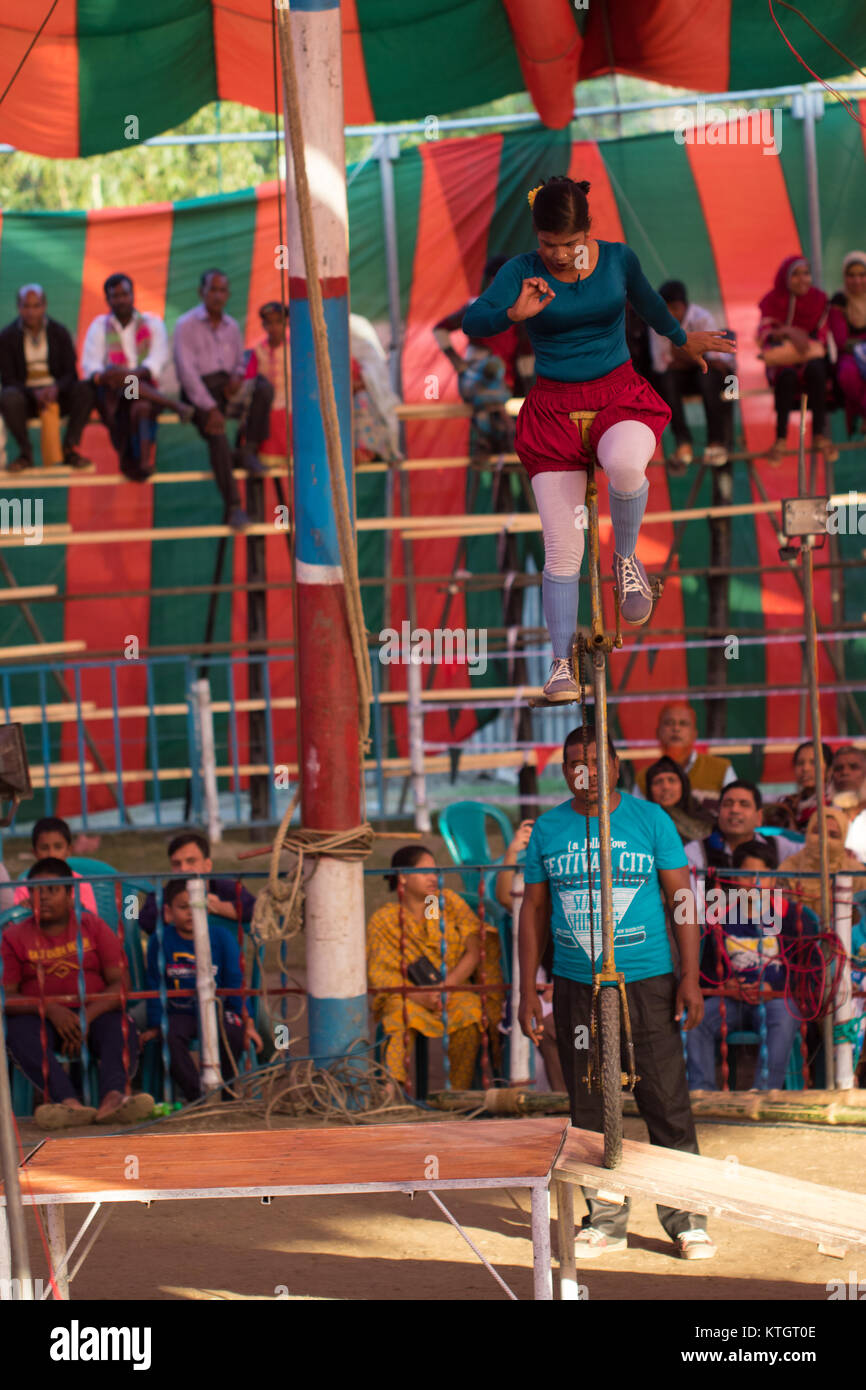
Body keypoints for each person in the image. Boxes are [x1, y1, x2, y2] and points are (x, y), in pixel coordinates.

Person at [462, 177, 732, 701]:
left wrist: (681, 339)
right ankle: (561, 662)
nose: (558, 255)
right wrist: (511, 315)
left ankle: (626, 560)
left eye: (569, 242)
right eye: (548, 244)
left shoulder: (617, 259)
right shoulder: (522, 271)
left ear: (590, 229)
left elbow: (650, 303)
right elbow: (474, 318)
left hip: (618, 394)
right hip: (552, 410)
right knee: (562, 549)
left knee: (629, 467)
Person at [518, 721, 715, 1260]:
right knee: (590, 1101)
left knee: (664, 1097)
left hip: (647, 981)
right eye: (575, 763)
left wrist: (690, 977)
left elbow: (681, 901)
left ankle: (686, 1218)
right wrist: (527, 989)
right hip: (576, 984)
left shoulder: (650, 820)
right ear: (564, 771)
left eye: (596, 762)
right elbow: (533, 908)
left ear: (615, 766)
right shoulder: (548, 830)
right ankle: (605, 1219)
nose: (586, 772)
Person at [1, 859, 153, 1129]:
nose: (43, 897)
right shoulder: (13, 937)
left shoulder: (93, 927)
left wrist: (86, 1015)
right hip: (40, 1020)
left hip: (93, 1014)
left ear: (71, 895)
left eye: (52, 890)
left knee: (120, 1026)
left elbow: (120, 985)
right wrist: (49, 1009)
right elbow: (7, 997)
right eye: (37, 891)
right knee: (17, 1032)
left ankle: (113, 1099)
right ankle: (68, 1105)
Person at [686, 840, 818, 1092]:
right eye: (747, 875)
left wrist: (773, 986)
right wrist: (725, 985)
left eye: (762, 876)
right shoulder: (719, 917)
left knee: (785, 1012)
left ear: (773, 880)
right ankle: (702, 1094)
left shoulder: (791, 916)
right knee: (697, 1019)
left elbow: (807, 970)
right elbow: (706, 969)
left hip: (774, 999)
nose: (755, 883)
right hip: (732, 999)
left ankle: (764, 1093)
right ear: (735, 878)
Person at [366, 846, 484, 1091]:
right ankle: (391, 1094)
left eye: (434, 871)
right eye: (424, 871)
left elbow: (475, 952)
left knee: (471, 1012)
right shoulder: (385, 919)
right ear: (403, 876)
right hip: (409, 996)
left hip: (453, 991)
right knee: (398, 1014)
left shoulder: (445, 902)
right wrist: (418, 995)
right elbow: (379, 973)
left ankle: (458, 1095)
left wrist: (445, 987)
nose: (433, 877)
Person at [140, 879, 262, 1101]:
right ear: (168, 912)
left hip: (218, 1010)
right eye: (183, 907)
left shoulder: (223, 939)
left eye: (197, 906)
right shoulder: (160, 940)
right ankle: (197, 1095)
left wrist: (247, 1021)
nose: (190, 913)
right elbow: (155, 985)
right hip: (180, 1013)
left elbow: (236, 983)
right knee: (170, 1036)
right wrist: (156, 1024)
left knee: (234, 1033)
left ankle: (225, 1093)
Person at [173, 269, 274, 529]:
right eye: (213, 290)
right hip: (200, 393)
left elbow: (241, 362)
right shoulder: (185, 325)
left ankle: (248, 451)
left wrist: (238, 377)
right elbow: (187, 374)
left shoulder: (231, 326)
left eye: (222, 290)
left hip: (227, 388)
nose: (218, 296)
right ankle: (234, 507)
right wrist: (210, 407)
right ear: (201, 292)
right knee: (216, 433)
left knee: (262, 388)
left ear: (228, 294)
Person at [81, 272, 190, 481]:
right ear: (108, 299)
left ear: (133, 295)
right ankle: (174, 405)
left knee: (139, 403)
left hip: (145, 388)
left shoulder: (152, 322)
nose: (121, 299)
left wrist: (127, 375)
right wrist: (109, 376)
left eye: (125, 294)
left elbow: (157, 361)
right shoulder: (99, 325)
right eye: (116, 295)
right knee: (126, 387)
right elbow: (91, 366)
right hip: (113, 393)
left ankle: (142, 461)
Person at [757, 255, 845, 464]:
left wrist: (804, 340)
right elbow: (763, 333)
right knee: (786, 376)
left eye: (805, 273)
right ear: (784, 278)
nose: (802, 279)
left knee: (817, 371)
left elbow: (823, 334)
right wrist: (788, 332)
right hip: (783, 359)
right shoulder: (772, 300)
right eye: (795, 274)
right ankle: (780, 439)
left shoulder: (819, 299)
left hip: (809, 354)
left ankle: (819, 436)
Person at [0, 284, 92, 471]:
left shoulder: (59, 332)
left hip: (57, 395)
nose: (31, 312)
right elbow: (8, 378)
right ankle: (26, 454)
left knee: (86, 389)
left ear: (45, 306)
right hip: (26, 399)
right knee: (8, 396)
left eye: (36, 306)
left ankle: (69, 449)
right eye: (26, 306)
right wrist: (34, 393)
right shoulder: (7, 336)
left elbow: (70, 374)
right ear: (18, 307)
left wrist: (55, 388)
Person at [649, 279, 735, 471]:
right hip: (683, 376)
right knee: (667, 380)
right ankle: (683, 442)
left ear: (685, 306)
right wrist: (693, 354)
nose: (670, 314)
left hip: (714, 377)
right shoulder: (657, 324)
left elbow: (715, 360)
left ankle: (716, 442)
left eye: (675, 308)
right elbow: (662, 365)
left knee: (707, 376)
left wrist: (680, 353)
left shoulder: (702, 318)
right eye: (666, 308)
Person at [434, 255, 535, 398]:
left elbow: (525, 353)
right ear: (489, 282)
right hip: (476, 381)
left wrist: (529, 389)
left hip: (508, 385)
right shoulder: (475, 308)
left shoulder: (519, 313)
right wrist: (455, 360)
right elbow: (440, 329)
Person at [138, 831, 256, 937]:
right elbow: (145, 920)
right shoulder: (162, 894)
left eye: (191, 861)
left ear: (207, 865)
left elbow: (252, 909)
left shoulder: (225, 888)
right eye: (176, 863)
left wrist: (211, 905)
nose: (183, 869)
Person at [634, 700, 736, 807]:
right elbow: (636, 817)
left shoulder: (721, 769)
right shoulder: (644, 777)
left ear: (694, 734)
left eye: (683, 723)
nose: (676, 729)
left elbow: (735, 809)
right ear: (658, 732)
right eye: (669, 723)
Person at [684, 780, 798, 874]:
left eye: (744, 804)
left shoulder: (778, 846)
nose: (734, 810)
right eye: (728, 804)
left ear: (759, 817)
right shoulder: (696, 851)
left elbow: (812, 854)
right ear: (718, 813)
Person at [777, 809, 866, 923]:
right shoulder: (788, 868)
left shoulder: (857, 873)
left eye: (833, 835)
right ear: (808, 833)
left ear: (843, 838)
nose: (824, 840)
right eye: (817, 832)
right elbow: (781, 916)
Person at [12, 815, 97, 915]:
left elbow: (91, 920)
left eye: (58, 847)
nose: (51, 854)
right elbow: (14, 921)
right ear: (34, 852)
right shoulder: (25, 886)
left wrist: (77, 907)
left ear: (69, 850)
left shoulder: (81, 884)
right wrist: (23, 910)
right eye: (44, 848)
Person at [350, 313, 403, 464]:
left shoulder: (356, 326)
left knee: (364, 403)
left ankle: (370, 450)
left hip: (364, 392)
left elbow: (374, 368)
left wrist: (359, 384)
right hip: (339, 395)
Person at [244, 301, 291, 458]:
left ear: (286, 323)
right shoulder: (259, 350)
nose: (274, 327)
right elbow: (249, 378)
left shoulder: (294, 348)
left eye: (279, 322)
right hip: (265, 414)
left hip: (290, 411)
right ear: (264, 325)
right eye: (269, 323)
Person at [830, 251, 866, 435]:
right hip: (850, 355)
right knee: (848, 374)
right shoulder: (840, 300)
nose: (857, 281)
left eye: (862, 275)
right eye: (851, 275)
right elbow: (841, 340)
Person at [644, 755, 714, 845]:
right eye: (658, 782)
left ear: (683, 785)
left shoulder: (708, 817)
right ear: (650, 790)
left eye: (672, 780)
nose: (666, 787)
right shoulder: (644, 825)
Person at [776, 740, 833, 832]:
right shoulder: (787, 804)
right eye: (800, 763)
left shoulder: (835, 806)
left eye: (814, 762)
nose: (805, 768)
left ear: (829, 770)